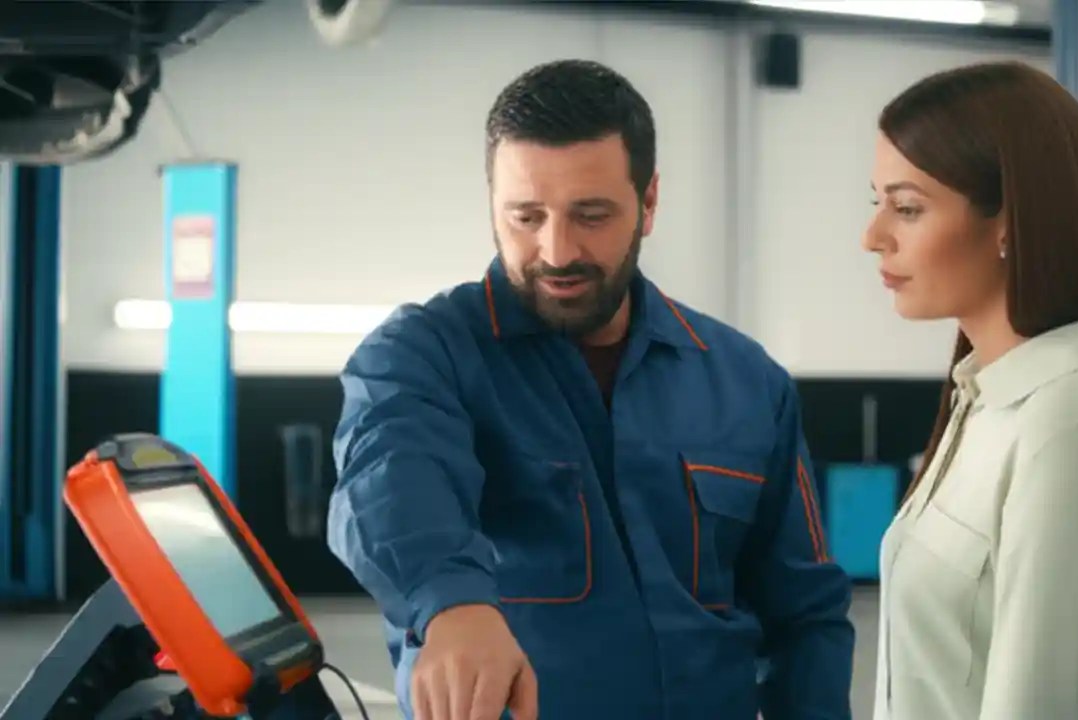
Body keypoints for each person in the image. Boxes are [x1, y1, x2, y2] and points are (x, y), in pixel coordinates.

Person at [328, 58, 855, 720]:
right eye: (526, 216)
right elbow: (392, 477)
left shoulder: (748, 382)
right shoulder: (422, 355)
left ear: (650, 201)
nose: (555, 250)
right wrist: (451, 605)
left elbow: (805, 615)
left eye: (592, 214)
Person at [862, 61, 1078, 720]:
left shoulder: (1072, 427)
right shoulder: (983, 402)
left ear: (1009, 221)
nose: (874, 236)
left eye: (908, 207)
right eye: (877, 202)